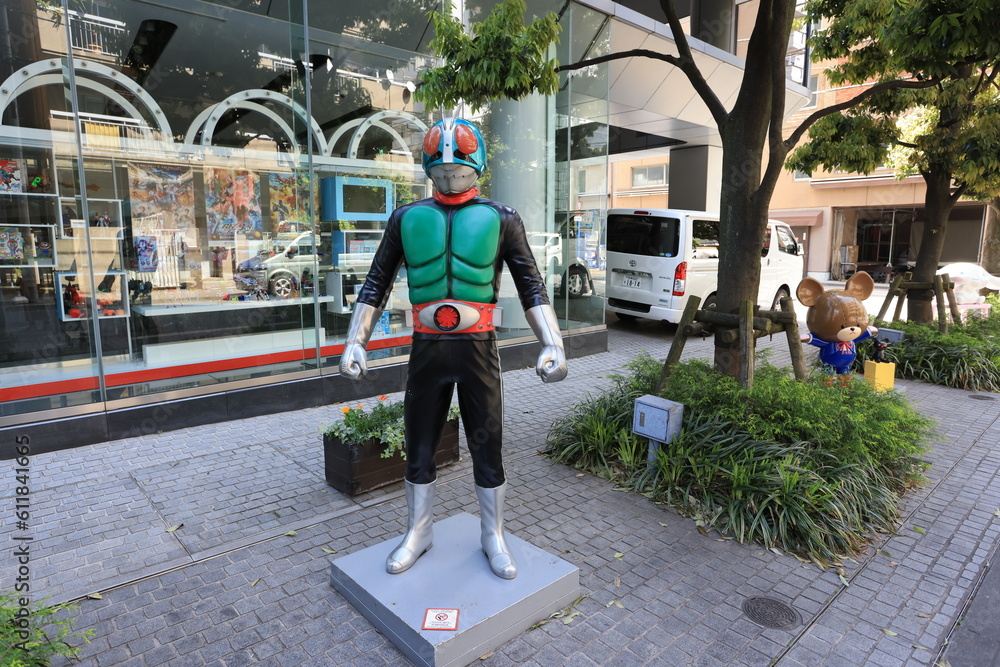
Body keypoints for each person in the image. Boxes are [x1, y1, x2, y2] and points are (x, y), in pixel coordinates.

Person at [339, 117, 567, 580]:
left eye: (458, 162)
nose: (450, 171)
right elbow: (376, 282)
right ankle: (418, 531)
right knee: (419, 442)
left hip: (477, 346)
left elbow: (531, 284)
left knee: (489, 443)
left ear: (477, 161)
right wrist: (355, 341)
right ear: (427, 165)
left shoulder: (501, 218)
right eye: (440, 164)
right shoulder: (406, 218)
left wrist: (553, 341)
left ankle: (493, 535)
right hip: (427, 346)